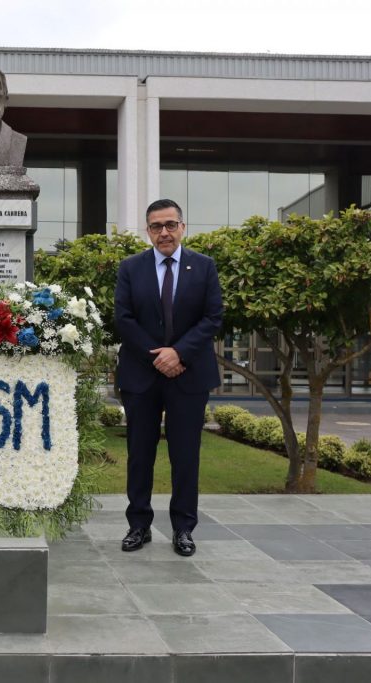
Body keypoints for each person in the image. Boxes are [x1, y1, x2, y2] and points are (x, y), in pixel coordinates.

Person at [114, 199, 223, 557]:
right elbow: (123, 318)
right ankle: (138, 525)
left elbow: (212, 317)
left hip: (189, 375)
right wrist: (159, 356)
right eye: (156, 226)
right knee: (139, 454)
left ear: (182, 227)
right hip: (141, 376)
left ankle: (183, 529)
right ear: (148, 231)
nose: (164, 232)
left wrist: (179, 353)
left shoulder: (204, 267)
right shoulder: (131, 268)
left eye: (170, 225)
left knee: (186, 456)